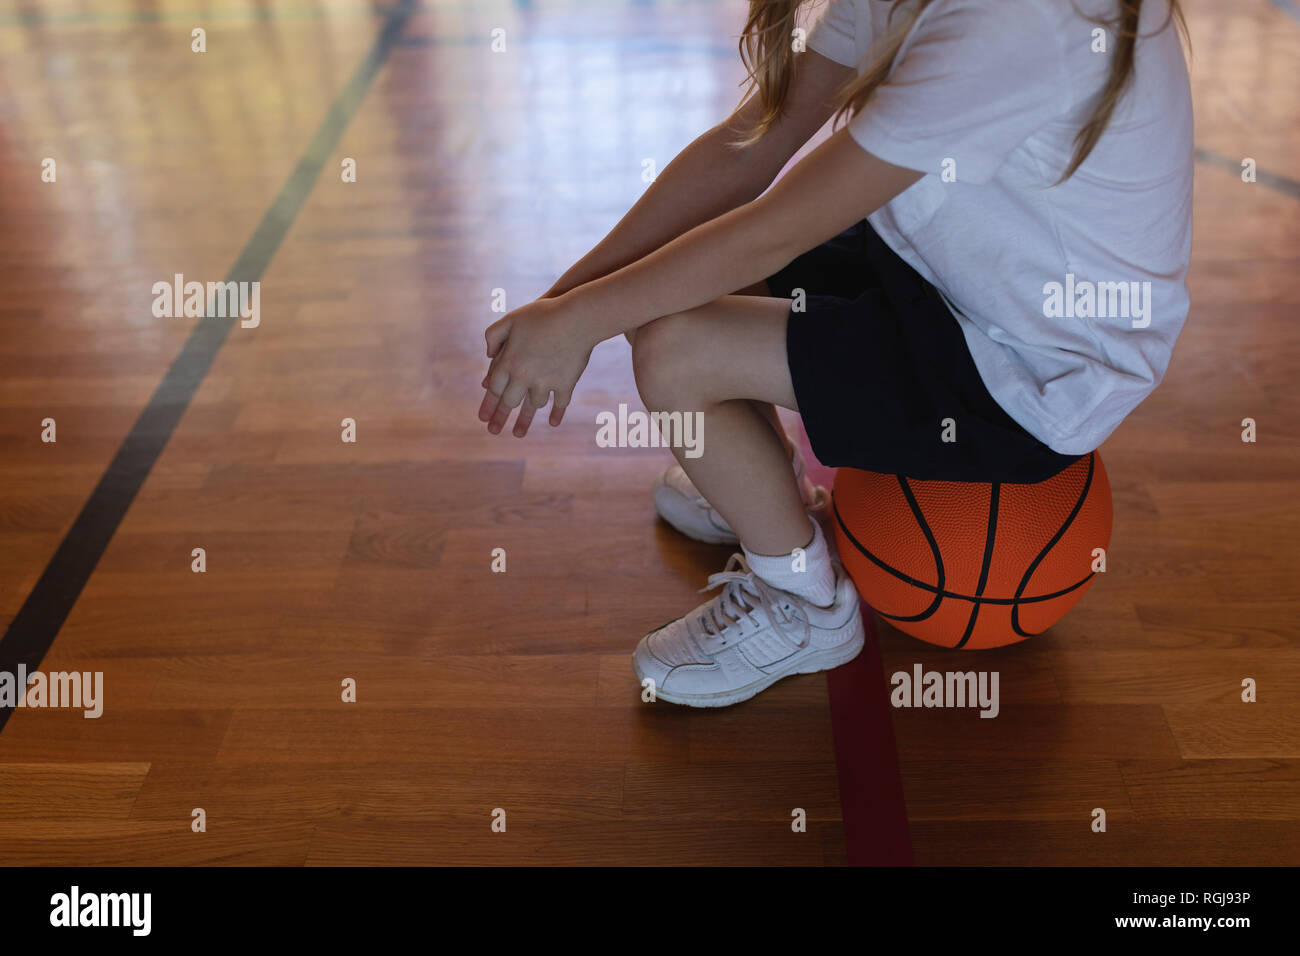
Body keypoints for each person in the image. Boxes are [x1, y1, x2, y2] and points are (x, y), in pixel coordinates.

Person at [477, 0, 1193, 707]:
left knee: (674, 352)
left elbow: (770, 235)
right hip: (955, 271)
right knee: (664, 286)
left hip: (1036, 370)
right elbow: (749, 143)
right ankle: (763, 487)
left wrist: (578, 322)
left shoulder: (1015, 19)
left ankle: (807, 610)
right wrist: (559, 309)